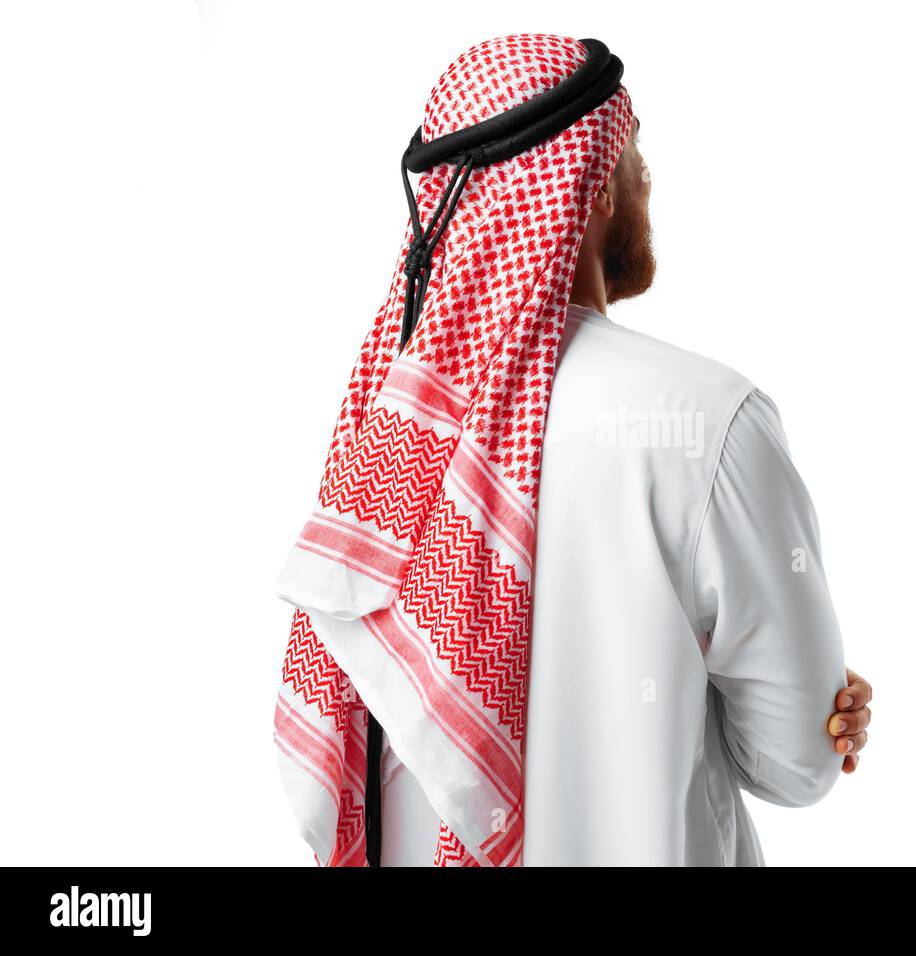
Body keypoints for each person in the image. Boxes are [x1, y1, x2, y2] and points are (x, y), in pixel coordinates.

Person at [273, 34, 871, 868]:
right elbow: (800, 761)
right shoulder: (710, 419)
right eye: (634, 159)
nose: (648, 184)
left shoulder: (393, 442)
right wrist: (790, 709)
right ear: (586, 190)